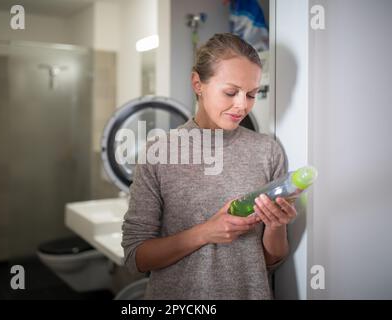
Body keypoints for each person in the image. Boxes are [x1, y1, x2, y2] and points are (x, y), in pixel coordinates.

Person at [121, 33, 297, 299]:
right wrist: (205, 233)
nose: (242, 105)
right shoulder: (159, 153)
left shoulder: (267, 151)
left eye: (251, 94)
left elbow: (270, 262)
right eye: (230, 92)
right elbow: (136, 257)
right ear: (197, 83)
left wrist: (275, 226)